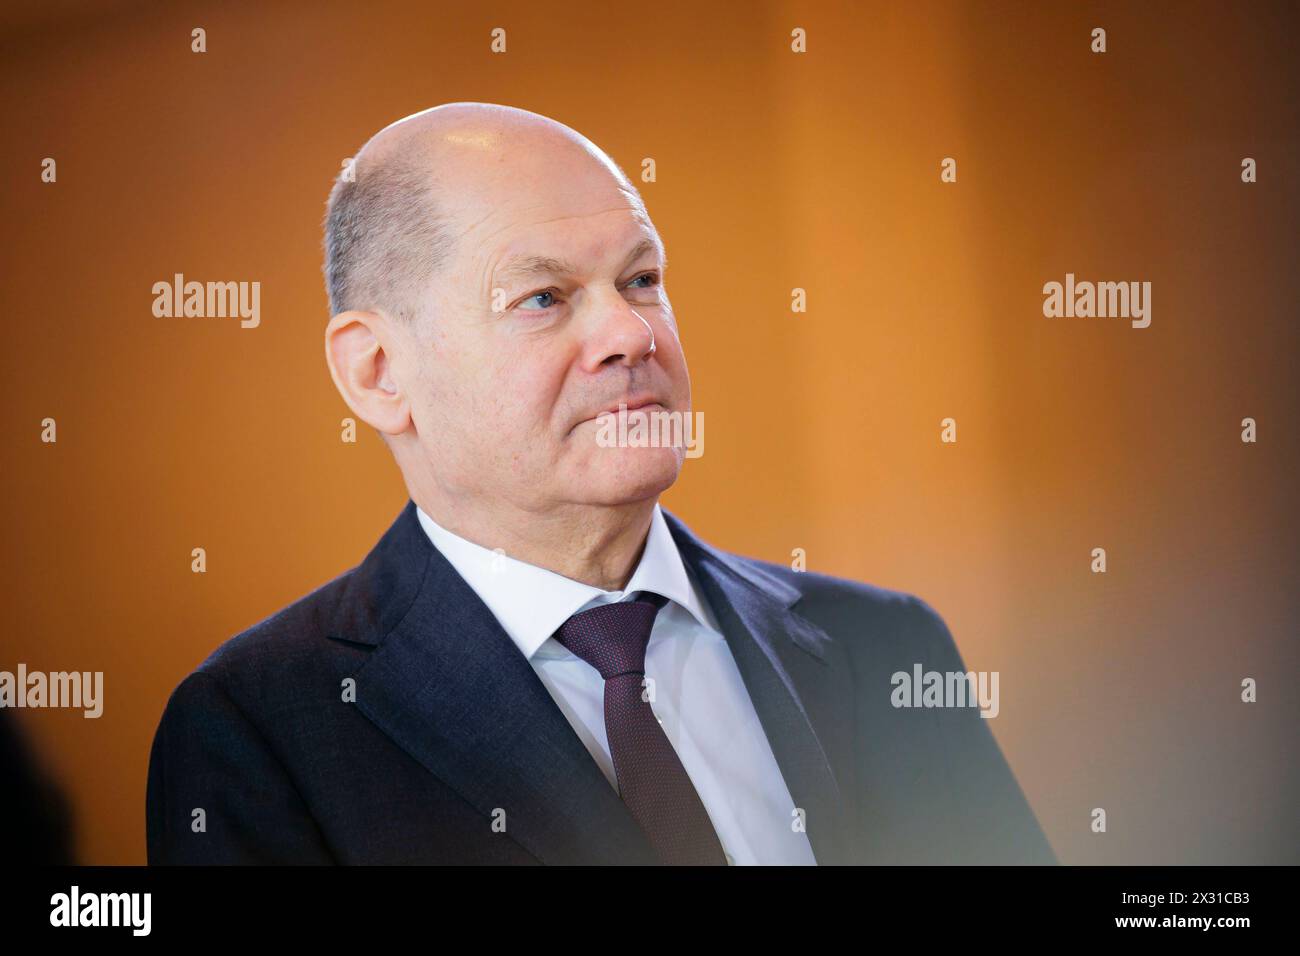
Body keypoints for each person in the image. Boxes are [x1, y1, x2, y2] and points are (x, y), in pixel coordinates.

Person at [145, 102, 1056, 865]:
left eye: (642, 278)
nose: (632, 334)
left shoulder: (883, 647)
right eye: (543, 298)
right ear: (379, 372)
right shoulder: (261, 730)